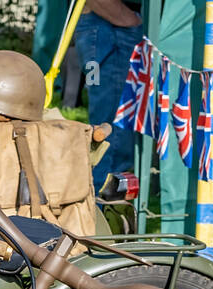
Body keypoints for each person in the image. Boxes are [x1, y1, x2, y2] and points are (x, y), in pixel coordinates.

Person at [73, 0, 143, 190]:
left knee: (111, 120)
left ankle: (102, 198)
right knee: (113, 125)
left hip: (107, 27)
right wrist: (131, 21)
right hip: (110, 26)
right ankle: (103, 202)